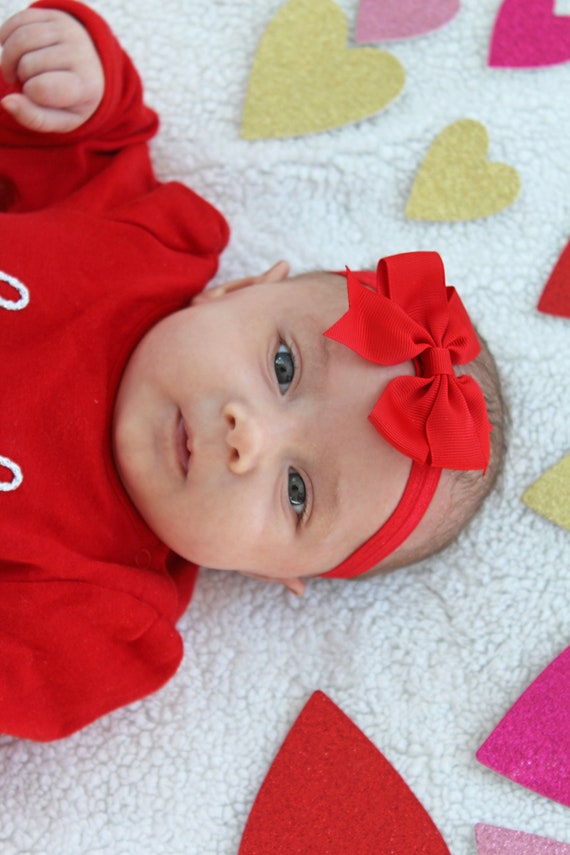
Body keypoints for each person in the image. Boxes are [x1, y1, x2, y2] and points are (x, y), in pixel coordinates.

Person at [0, 1, 505, 741]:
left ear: (271, 571)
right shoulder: (145, 246)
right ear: (239, 290)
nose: (249, 436)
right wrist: (73, 82)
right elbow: (94, 133)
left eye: (296, 491)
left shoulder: (103, 615)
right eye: (282, 364)